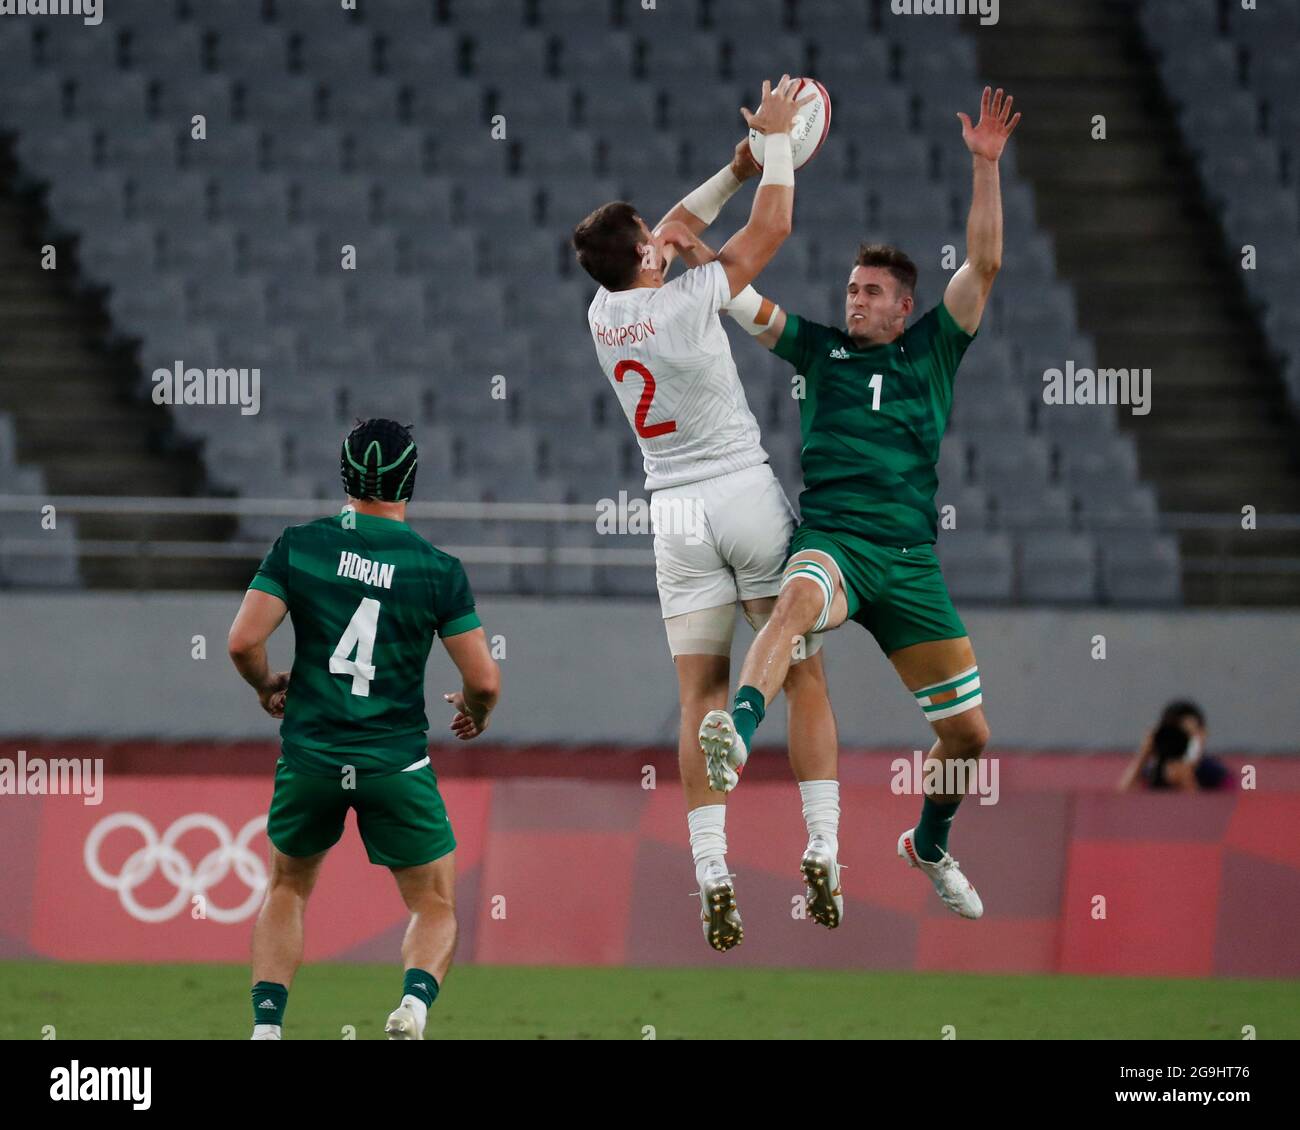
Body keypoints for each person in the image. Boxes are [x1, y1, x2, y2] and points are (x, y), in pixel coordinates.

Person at [676, 86, 1022, 921]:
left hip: (908, 563)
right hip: (834, 540)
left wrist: (984, 167)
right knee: (791, 606)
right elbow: (737, 300)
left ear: (905, 308)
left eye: (871, 293)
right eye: (851, 289)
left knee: (970, 738)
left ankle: (928, 843)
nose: (853, 300)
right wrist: (697, 254)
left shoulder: (935, 349)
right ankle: (737, 728)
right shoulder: (816, 350)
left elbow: (983, 267)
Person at [572, 76, 843, 951]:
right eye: (651, 240)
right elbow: (774, 231)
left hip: (673, 515)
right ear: (647, 260)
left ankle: (712, 870)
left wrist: (729, 171)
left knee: (700, 694)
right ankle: (824, 847)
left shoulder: (602, 309)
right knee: (799, 670)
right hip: (741, 494)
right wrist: (771, 148)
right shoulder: (690, 301)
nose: (663, 236)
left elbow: (671, 228)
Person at [227, 418, 500, 1039]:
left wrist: (267, 683)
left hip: (312, 757)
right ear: (411, 481)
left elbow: (243, 642)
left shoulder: (300, 545)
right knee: (433, 903)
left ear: (344, 474)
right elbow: (483, 681)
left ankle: (267, 1029)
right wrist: (476, 713)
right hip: (394, 764)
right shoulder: (437, 569)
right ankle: (413, 1006)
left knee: (288, 888)